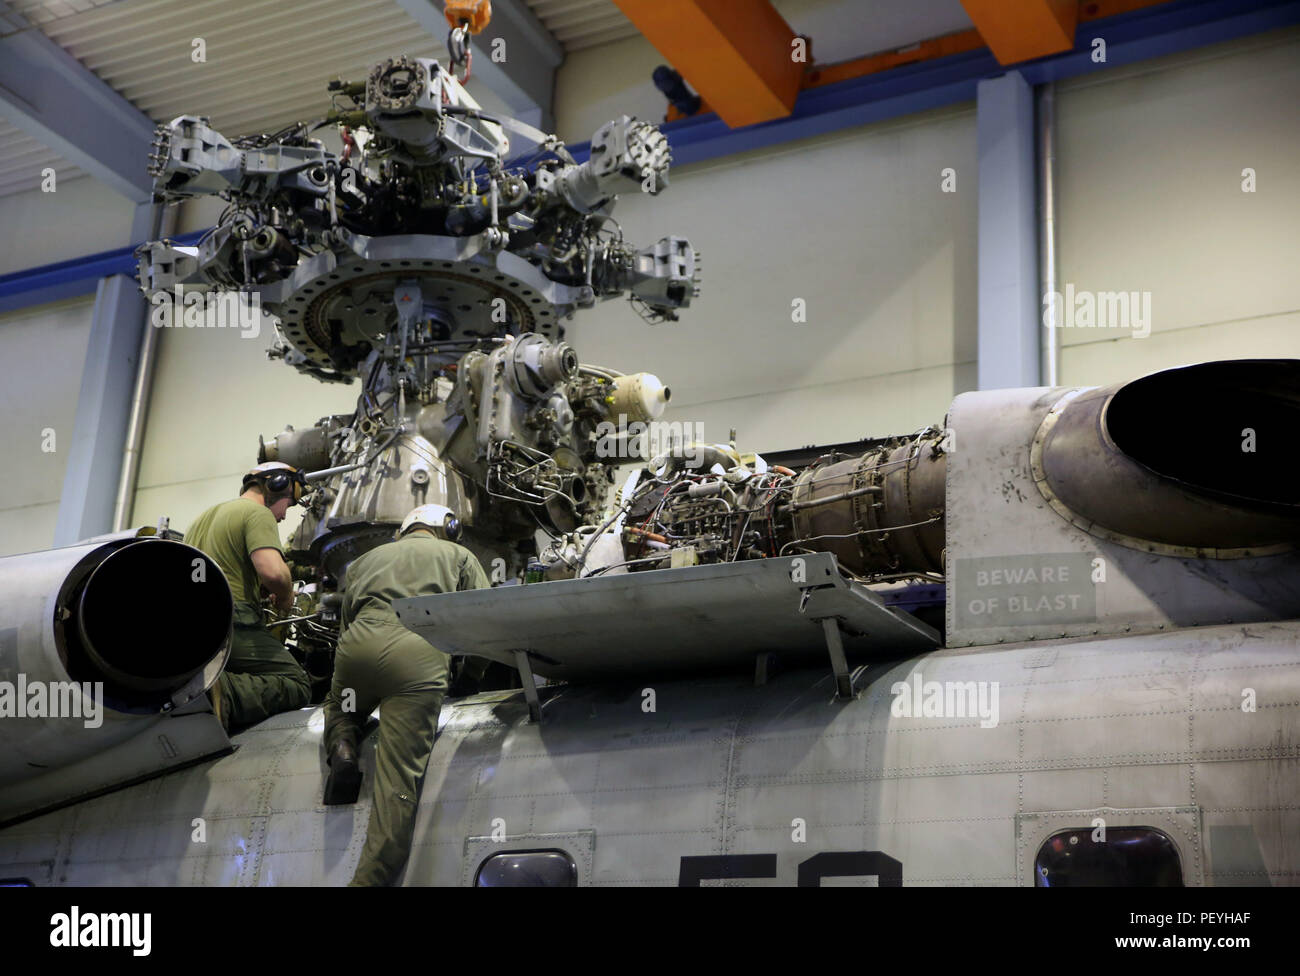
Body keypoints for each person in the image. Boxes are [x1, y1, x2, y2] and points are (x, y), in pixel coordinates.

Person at [323, 503, 490, 887]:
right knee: (397, 784)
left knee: (339, 706)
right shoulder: (459, 555)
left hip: (356, 656)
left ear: (404, 530)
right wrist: (469, 678)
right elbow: (484, 620)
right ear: (446, 529)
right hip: (415, 662)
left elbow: (345, 620)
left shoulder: (364, 561)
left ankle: (343, 744)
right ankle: (369, 880)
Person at [186, 461, 313, 733]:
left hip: (196, 624)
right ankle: (224, 691)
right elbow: (274, 573)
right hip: (234, 620)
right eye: (288, 506)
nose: (282, 516)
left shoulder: (202, 518)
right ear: (276, 486)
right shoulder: (257, 514)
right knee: (296, 682)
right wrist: (286, 594)